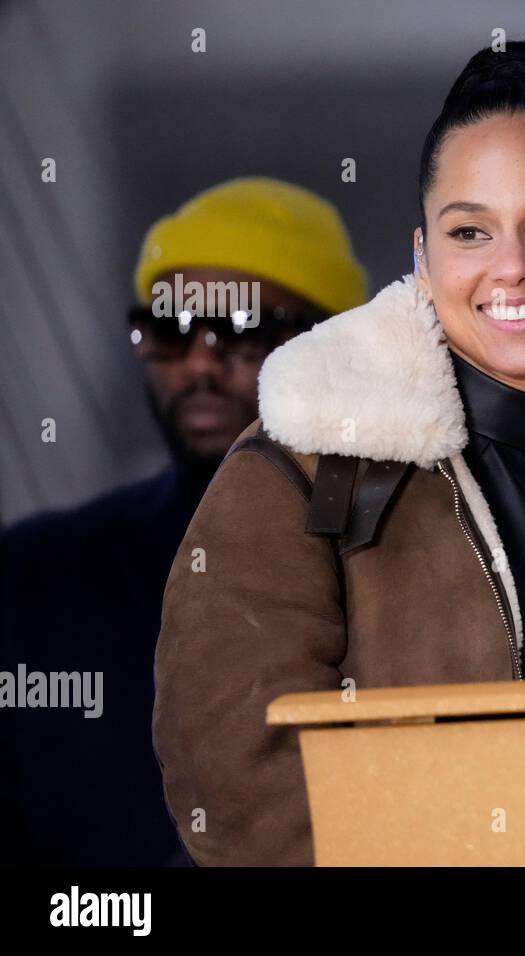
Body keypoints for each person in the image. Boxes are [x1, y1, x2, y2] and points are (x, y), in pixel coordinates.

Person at [152, 39, 525, 867]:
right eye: (470, 231)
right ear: (422, 259)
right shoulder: (307, 459)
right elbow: (238, 776)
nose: (511, 267)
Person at [0, 177, 367, 864]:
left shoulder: (411, 556)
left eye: (241, 328)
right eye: (169, 328)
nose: (199, 362)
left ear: (332, 346)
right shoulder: (35, 573)